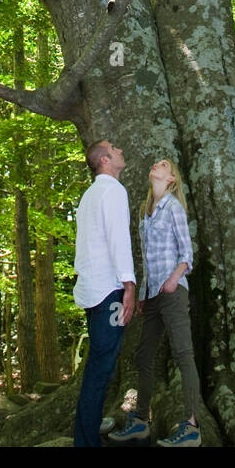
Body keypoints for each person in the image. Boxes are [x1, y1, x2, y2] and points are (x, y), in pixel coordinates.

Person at [109, 157, 202, 447]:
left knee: (184, 354)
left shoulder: (174, 208)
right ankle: (140, 422)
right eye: (155, 164)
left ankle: (192, 427)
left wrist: (173, 280)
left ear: (171, 178)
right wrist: (145, 292)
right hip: (151, 297)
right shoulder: (145, 212)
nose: (155, 166)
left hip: (173, 292)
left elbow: (187, 254)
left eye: (163, 165)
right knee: (143, 356)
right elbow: (145, 260)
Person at [72, 138, 136, 447]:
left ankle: (89, 427)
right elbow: (118, 240)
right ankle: (85, 440)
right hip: (108, 291)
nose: (121, 150)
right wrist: (129, 285)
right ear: (105, 161)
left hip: (92, 290)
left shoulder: (90, 194)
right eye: (115, 149)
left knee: (98, 366)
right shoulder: (112, 190)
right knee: (100, 369)